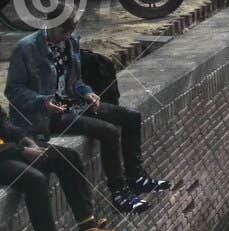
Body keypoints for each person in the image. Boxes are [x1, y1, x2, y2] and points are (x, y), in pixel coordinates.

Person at [5, 18, 171, 214]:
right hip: (45, 114)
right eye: (62, 33)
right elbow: (13, 90)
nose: (66, 38)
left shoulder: (70, 41)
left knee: (131, 116)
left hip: (72, 104)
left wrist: (87, 92)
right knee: (108, 131)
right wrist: (42, 101)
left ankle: (136, 177)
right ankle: (119, 193)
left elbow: (75, 81)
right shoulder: (26, 48)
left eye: (70, 33)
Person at [0, 107, 134, 231]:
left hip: (9, 149)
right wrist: (21, 151)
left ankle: (88, 230)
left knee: (68, 157)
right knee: (35, 180)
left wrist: (25, 140)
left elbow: (3, 123)